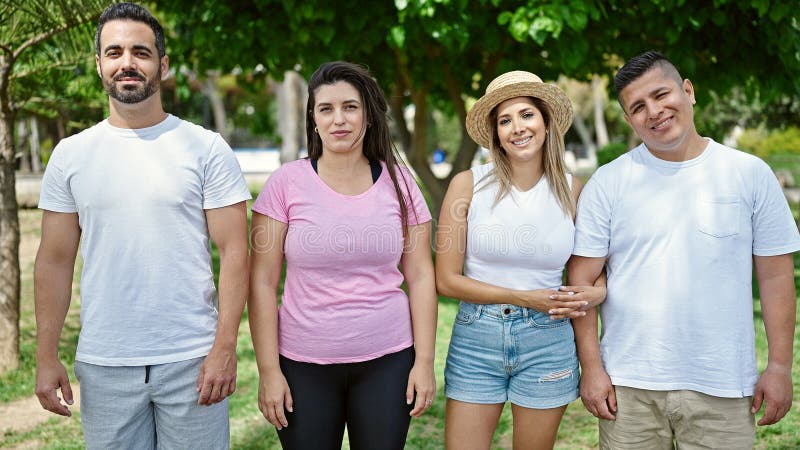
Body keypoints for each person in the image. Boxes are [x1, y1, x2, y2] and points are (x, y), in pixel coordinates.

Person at [33, 3, 250, 449]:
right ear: (98, 65)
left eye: (140, 52)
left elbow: (235, 252)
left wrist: (225, 346)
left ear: (163, 65)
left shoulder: (205, 148)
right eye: (114, 52)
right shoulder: (70, 155)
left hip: (192, 360)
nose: (126, 62)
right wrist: (45, 354)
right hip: (106, 362)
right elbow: (54, 259)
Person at [570, 50, 800, 449]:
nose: (654, 111)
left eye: (661, 95)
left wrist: (779, 366)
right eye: (638, 107)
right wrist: (591, 368)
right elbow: (581, 282)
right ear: (628, 120)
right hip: (629, 385)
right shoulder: (607, 184)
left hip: (723, 385)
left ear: (688, 91)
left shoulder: (750, 174)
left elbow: (777, 276)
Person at [248, 61, 437, 449]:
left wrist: (424, 362)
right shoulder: (285, 183)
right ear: (313, 119)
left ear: (368, 116)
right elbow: (262, 283)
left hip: (389, 360)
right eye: (326, 109)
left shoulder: (400, 184)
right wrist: (269, 370)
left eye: (350, 107)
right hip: (303, 365)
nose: (339, 119)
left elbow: (420, 277)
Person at [435, 70, 606, 450]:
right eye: (504, 120)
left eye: (527, 114)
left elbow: (594, 275)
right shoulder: (468, 185)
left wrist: (596, 293)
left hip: (548, 339)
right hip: (477, 336)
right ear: (495, 133)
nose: (517, 128)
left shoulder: (572, 190)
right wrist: (526, 298)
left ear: (545, 121)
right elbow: (445, 280)